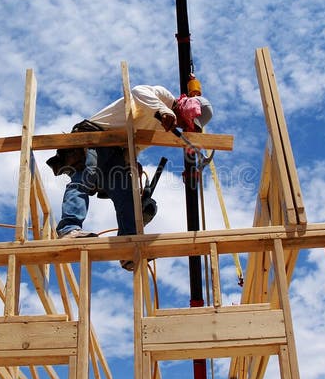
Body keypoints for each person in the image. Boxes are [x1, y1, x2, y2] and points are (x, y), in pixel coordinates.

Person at [49, 85, 213, 268]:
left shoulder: (163, 128)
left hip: (117, 149)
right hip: (95, 134)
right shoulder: (164, 97)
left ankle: (128, 247)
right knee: (85, 177)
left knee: (127, 196)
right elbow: (137, 91)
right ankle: (69, 229)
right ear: (187, 110)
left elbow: (135, 144)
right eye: (187, 121)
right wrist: (164, 111)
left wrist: (131, 162)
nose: (183, 126)